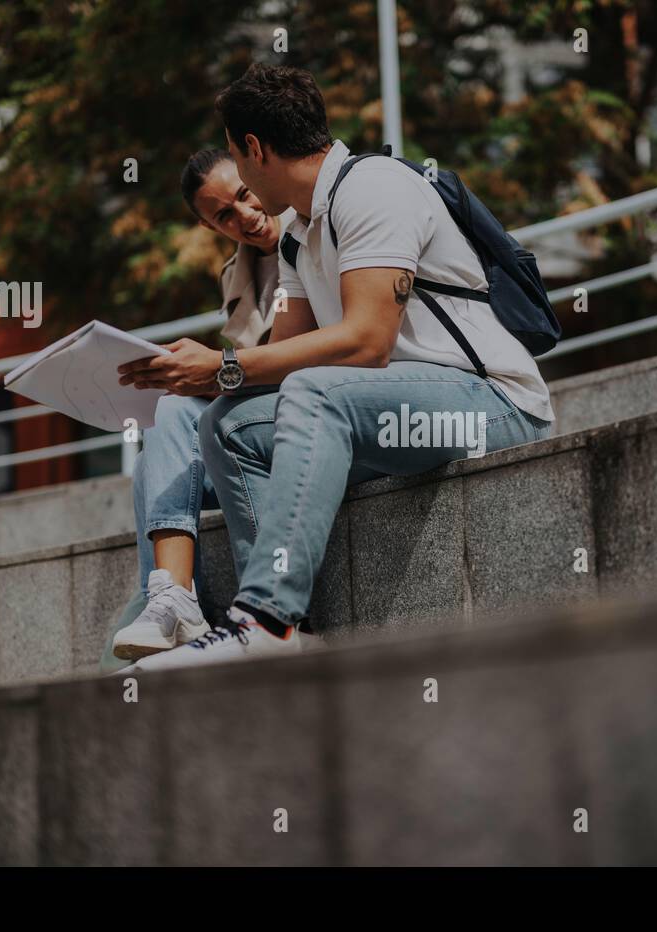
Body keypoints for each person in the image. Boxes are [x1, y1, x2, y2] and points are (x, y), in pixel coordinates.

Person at [120, 64, 554, 672]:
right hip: (392, 411)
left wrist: (221, 364)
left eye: (238, 163)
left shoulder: (372, 187)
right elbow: (273, 364)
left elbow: (366, 343)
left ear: (254, 148)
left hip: (490, 404)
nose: (241, 177)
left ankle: (265, 620)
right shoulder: (300, 231)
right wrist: (201, 380)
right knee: (228, 422)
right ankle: (267, 626)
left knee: (314, 392)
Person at [101, 149, 288, 669]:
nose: (244, 216)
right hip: (256, 427)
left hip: (312, 418)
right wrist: (197, 377)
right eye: (223, 215)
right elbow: (245, 373)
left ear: (261, 179)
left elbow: (305, 360)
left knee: (181, 414)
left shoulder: (316, 230)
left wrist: (217, 371)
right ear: (211, 226)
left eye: (245, 195)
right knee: (169, 417)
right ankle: (172, 600)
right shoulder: (237, 274)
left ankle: (162, 602)